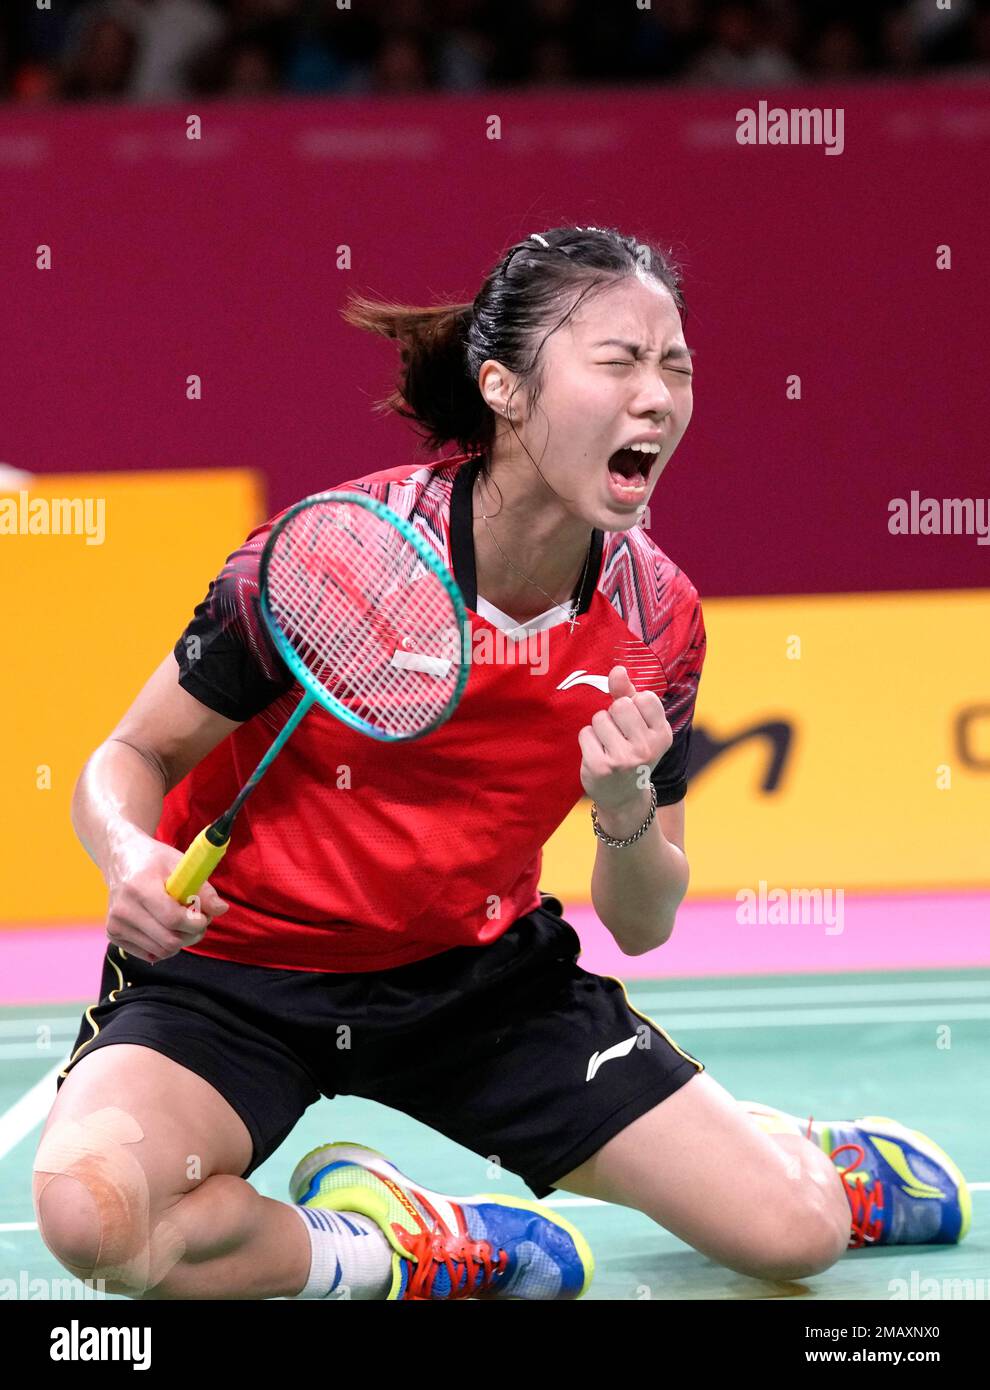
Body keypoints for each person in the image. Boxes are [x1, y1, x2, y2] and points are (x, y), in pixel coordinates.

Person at [33, 225, 968, 1302]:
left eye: (677, 368)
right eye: (618, 362)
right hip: (236, 974)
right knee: (96, 1221)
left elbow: (644, 919)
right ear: (504, 388)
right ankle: (399, 1246)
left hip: (477, 986)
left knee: (796, 1235)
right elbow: (132, 752)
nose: (657, 397)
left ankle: (790, 1155)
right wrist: (128, 858)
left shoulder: (656, 619)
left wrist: (621, 810)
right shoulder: (336, 559)